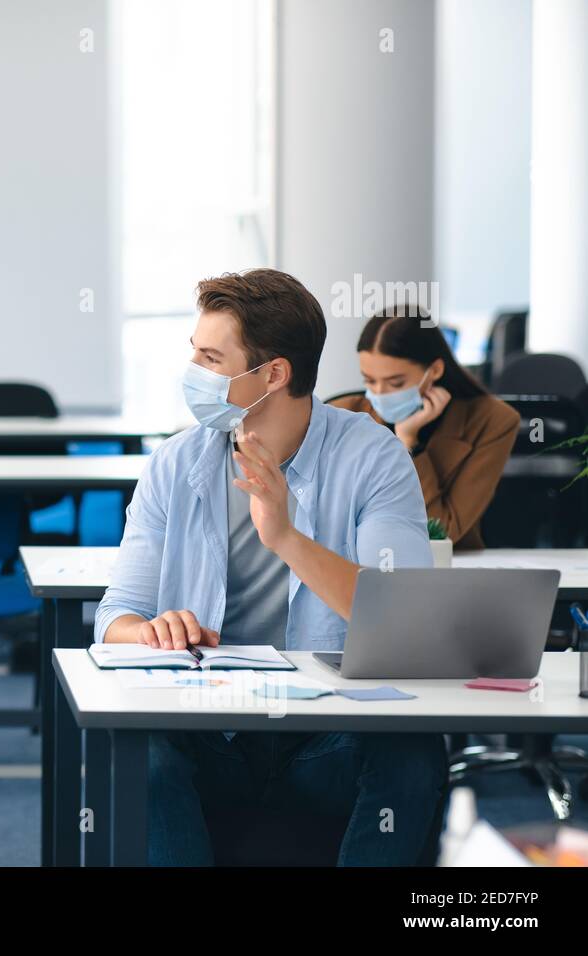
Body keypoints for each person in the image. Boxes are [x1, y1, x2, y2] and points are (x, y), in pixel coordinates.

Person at [95, 269, 447, 866]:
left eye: (212, 358)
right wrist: (150, 631)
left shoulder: (373, 457)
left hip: (324, 738)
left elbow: (403, 621)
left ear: (274, 374)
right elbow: (114, 618)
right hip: (211, 733)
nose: (194, 375)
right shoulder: (174, 465)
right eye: (195, 356)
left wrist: (284, 536)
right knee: (142, 752)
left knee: (410, 754)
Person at [329, 306, 519, 549]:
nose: (379, 393)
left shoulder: (492, 420)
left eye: (395, 382)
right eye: (369, 380)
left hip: (444, 571)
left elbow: (441, 532)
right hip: (355, 564)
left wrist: (407, 444)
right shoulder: (344, 412)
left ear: (435, 370)